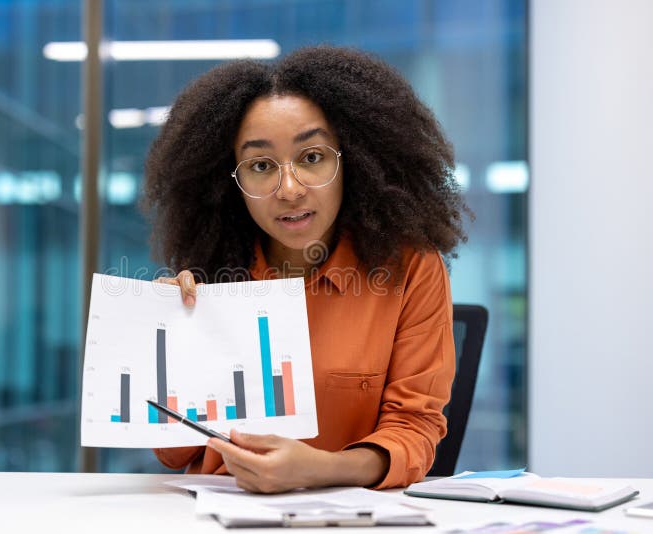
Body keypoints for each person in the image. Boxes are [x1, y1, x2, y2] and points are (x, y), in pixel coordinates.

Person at [142, 46, 469, 493]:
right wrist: (172, 347)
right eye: (260, 166)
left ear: (351, 160)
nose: (290, 189)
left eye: (312, 157)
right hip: (219, 514)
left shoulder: (411, 267)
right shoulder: (209, 270)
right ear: (228, 181)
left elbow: (413, 432)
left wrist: (319, 469)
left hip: (349, 517)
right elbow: (173, 454)